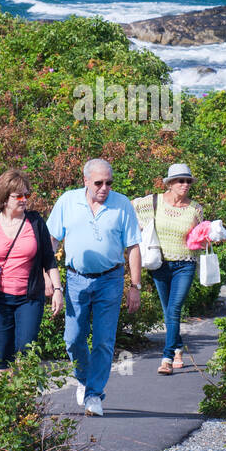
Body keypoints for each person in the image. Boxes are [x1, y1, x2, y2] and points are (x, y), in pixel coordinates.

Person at [46, 158, 142, 417]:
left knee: (103, 341)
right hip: (76, 279)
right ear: (85, 181)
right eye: (98, 183)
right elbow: (51, 240)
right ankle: (83, 377)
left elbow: (133, 246)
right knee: (73, 338)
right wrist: (47, 275)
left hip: (110, 279)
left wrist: (135, 286)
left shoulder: (121, 204)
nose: (104, 188)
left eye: (109, 183)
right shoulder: (68, 201)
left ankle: (94, 394)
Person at [0, 169, 61, 370]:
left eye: (27, 195)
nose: (24, 199)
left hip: (29, 297)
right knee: (1, 353)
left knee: (25, 347)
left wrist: (57, 289)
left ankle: (23, 395)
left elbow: (49, 259)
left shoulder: (36, 222)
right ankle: (7, 398)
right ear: (4, 198)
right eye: (19, 196)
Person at [133, 164, 203, 376]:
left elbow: (199, 236)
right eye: (180, 181)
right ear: (170, 183)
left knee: (173, 310)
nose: (185, 185)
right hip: (159, 264)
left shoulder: (195, 209)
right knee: (168, 312)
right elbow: (128, 209)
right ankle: (178, 347)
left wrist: (211, 236)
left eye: (188, 181)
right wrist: (138, 232)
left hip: (185, 264)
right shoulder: (153, 202)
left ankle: (167, 358)